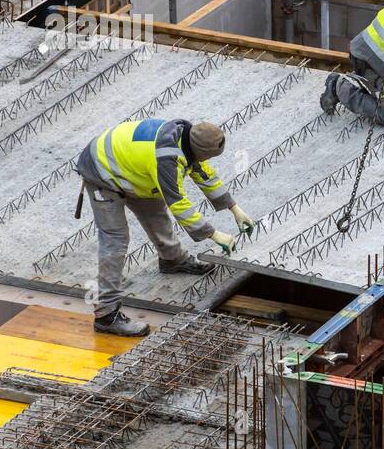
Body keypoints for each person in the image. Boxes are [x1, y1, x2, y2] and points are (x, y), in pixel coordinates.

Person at [74, 118, 254, 337]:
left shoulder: (186, 137)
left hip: (132, 169)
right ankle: (106, 315)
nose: (207, 160)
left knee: (155, 212)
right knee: (115, 240)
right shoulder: (167, 159)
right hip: (101, 172)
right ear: (199, 150)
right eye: (208, 156)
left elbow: (205, 174)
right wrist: (214, 234)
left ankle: (172, 259)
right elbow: (179, 205)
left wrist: (234, 208)